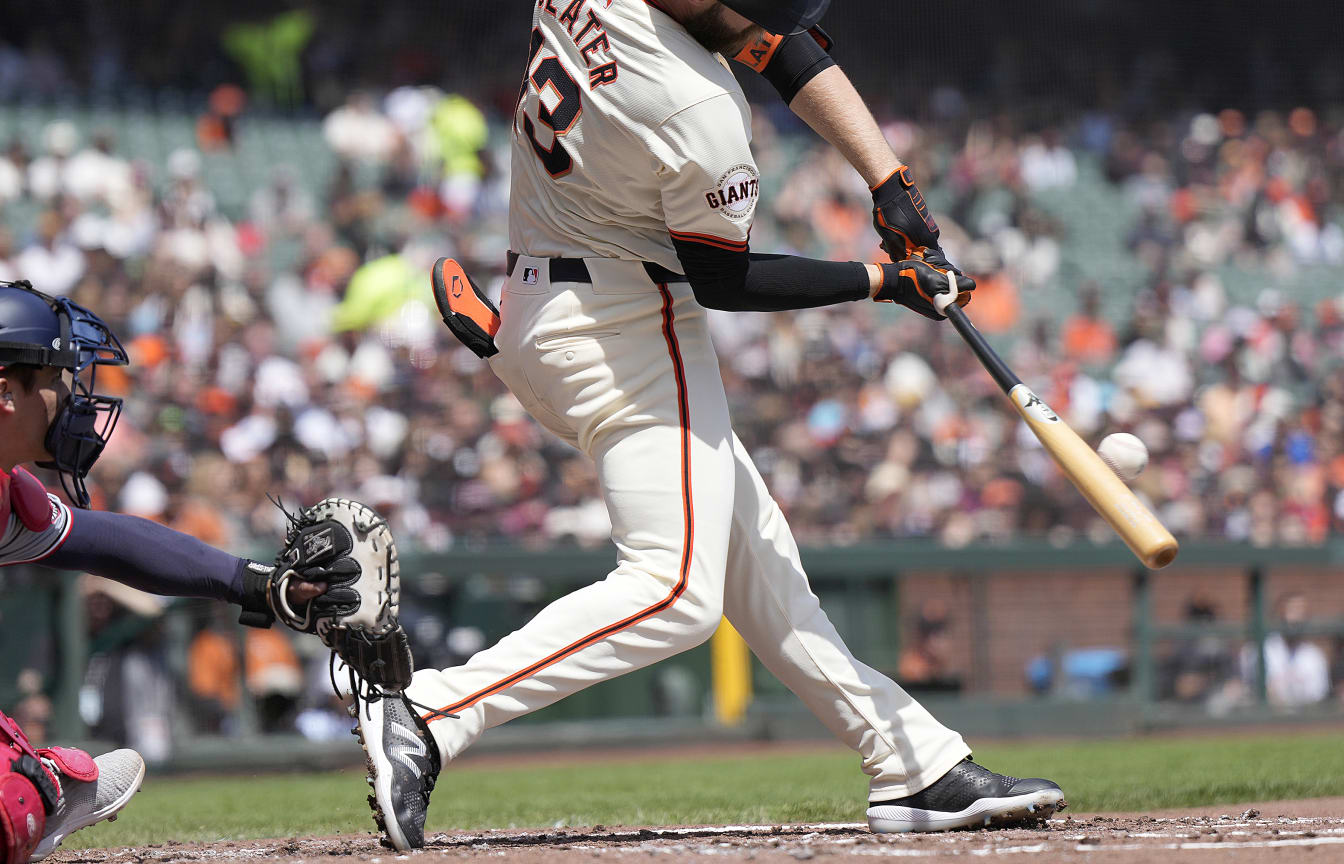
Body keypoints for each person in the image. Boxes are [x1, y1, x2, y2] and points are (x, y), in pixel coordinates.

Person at [355, 0, 1063, 851]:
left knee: (759, 562)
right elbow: (725, 281)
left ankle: (915, 763)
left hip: (545, 307)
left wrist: (890, 185)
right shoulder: (697, 110)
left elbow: (778, 45)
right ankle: (432, 715)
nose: (760, 33)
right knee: (674, 594)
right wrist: (882, 283)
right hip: (627, 330)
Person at [0, 279, 367, 860]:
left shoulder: (7, 492)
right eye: (53, 381)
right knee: (14, 798)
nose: (72, 400)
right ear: (6, 393)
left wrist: (260, 583)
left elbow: (115, 544)